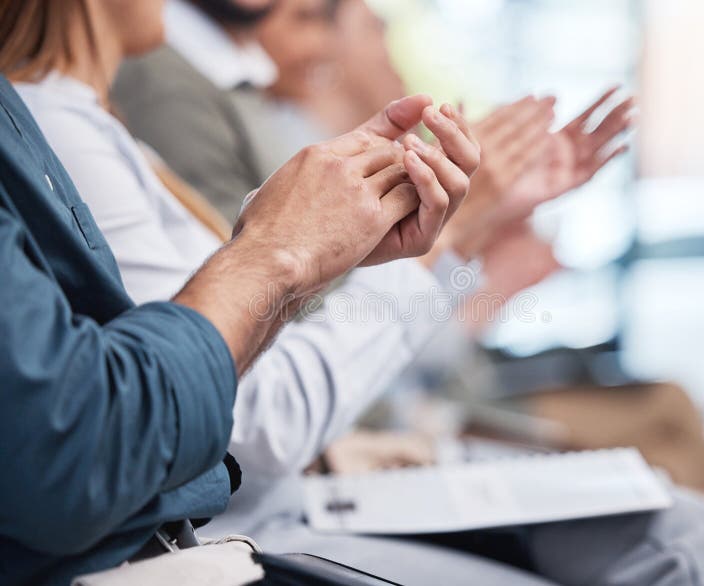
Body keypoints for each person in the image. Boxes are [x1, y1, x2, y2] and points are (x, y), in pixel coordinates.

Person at [19, 1, 704, 585]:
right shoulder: (116, 116)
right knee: (687, 531)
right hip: (322, 465)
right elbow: (266, 403)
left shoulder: (125, 126)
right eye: (355, 23)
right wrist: (461, 250)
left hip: (371, 430)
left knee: (686, 501)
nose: (365, 47)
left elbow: (271, 339)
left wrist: (465, 255)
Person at [0, 2, 479, 585]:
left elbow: (213, 382)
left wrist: (314, 258)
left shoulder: (86, 121)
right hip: (232, 535)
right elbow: (249, 422)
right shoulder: (61, 118)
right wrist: (282, 252)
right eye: (306, 19)